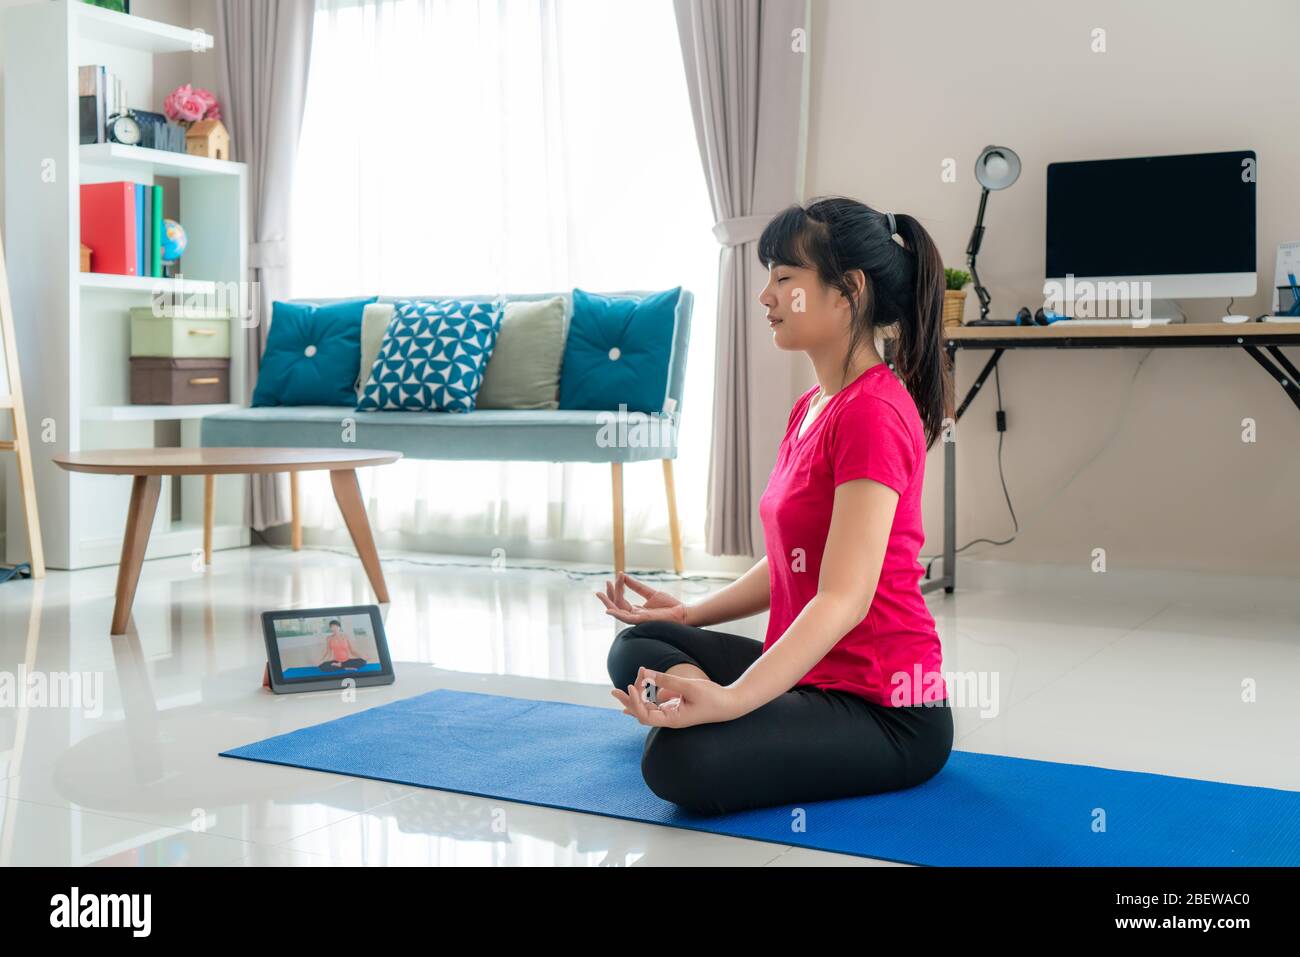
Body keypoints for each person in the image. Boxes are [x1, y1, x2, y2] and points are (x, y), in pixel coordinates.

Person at [600, 197, 954, 816]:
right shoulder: (816, 405)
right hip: (808, 673)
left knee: (677, 765)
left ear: (848, 291)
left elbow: (843, 598)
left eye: (784, 279)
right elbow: (794, 559)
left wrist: (736, 701)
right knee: (640, 646)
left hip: (886, 711)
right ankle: (725, 708)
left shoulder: (872, 412)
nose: (765, 296)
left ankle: (721, 716)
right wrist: (688, 615)